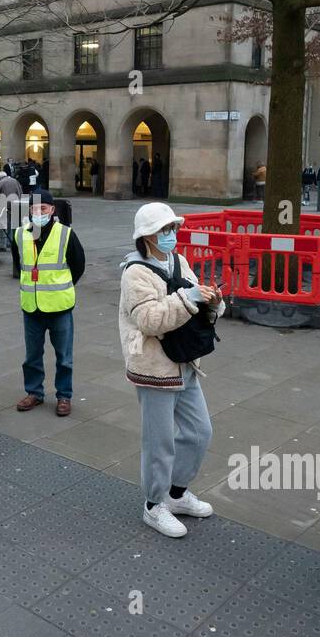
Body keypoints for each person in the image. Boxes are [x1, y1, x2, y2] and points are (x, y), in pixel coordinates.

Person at [118, 202, 221, 538]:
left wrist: (212, 302)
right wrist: (189, 299)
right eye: (164, 230)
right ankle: (153, 504)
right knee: (159, 443)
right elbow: (148, 320)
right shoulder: (135, 273)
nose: (171, 235)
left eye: (173, 228)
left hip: (185, 362)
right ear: (146, 235)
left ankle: (176, 494)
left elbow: (194, 303)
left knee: (199, 432)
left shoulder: (179, 261)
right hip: (153, 369)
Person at [11, 188, 85, 418]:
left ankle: (64, 395)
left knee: (64, 357)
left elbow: (78, 265)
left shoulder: (65, 234)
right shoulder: (20, 234)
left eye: (42, 208)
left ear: (52, 210)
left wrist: (60, 285)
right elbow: (19, 263)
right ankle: (34, 392)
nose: (37, 212)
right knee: (32, 355)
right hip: (31, 306)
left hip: (59, 306)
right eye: (33, 209)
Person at [0, 169, 24, 276]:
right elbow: (20, 192)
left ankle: (3, 244)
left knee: (3, 225)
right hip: (15, 204)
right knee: (12, 224)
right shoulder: (15, 181)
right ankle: (10, 242)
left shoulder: (0, 182)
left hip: (3, 205)